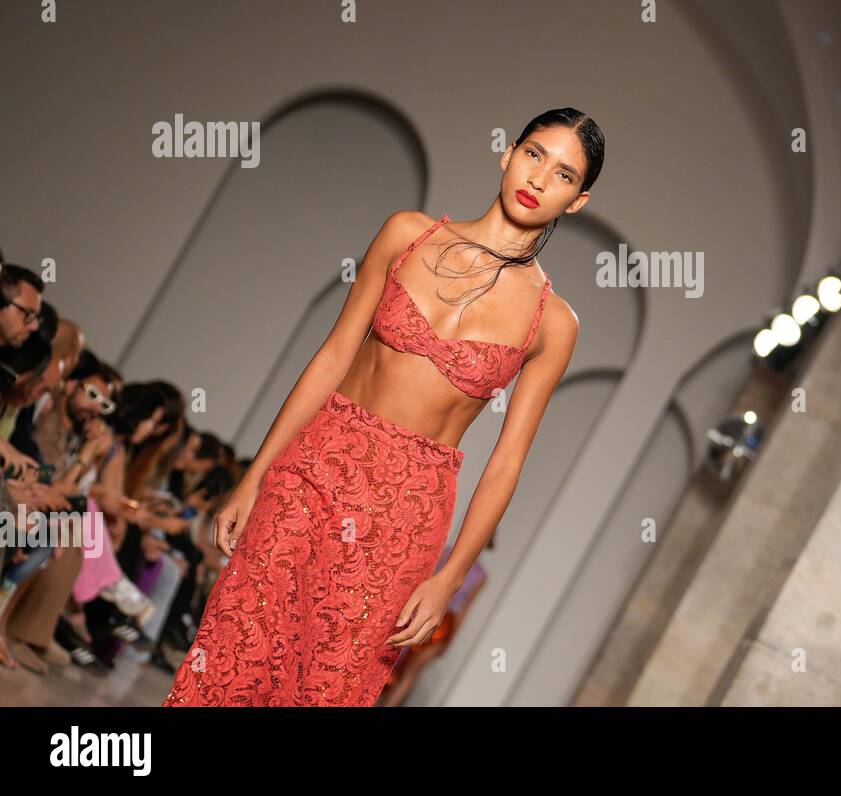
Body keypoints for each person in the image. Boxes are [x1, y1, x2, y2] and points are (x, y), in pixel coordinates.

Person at [164, 107, 599, 706]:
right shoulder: (408, 234)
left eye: (565, 175)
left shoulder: (553, 322)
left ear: (576, 201)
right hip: (314, 465)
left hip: (406, 510)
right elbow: (334, 356)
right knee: (236, 645)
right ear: (507, 152)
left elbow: (507, 461)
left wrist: (449, 576)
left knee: (327, 685)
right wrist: (254, 476)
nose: (540, 178)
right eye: (534, 154)